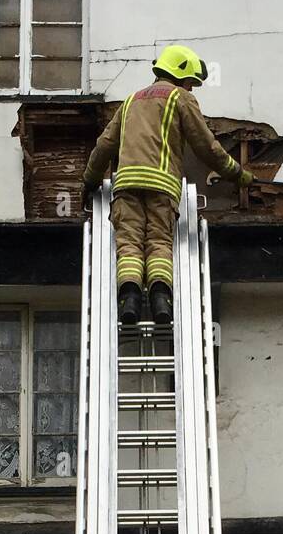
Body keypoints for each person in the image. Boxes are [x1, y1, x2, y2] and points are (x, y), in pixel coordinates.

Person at [83, 44, 254, 327]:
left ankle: (130, 302)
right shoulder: (180, 98)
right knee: (159, 243)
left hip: (125, 187)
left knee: (128, 246)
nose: (192, 88)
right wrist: (237, 173)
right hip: (162, 188)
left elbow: (103, 147)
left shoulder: (129, 102)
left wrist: (89, 181)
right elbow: (207, 146)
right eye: (191, 82)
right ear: (180, 72)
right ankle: (162, 302)